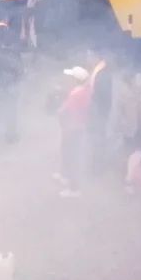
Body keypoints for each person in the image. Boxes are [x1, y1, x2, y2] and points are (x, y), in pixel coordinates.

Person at [55, 66, 92, 197]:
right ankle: (67, 178)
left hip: (73, 129)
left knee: (72, 157)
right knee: (71, 155)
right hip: (79, 128)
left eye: (71, 77)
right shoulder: (86, 91)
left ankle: (74, 189)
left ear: (75, 80)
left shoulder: (76, 94)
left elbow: (65, 112)